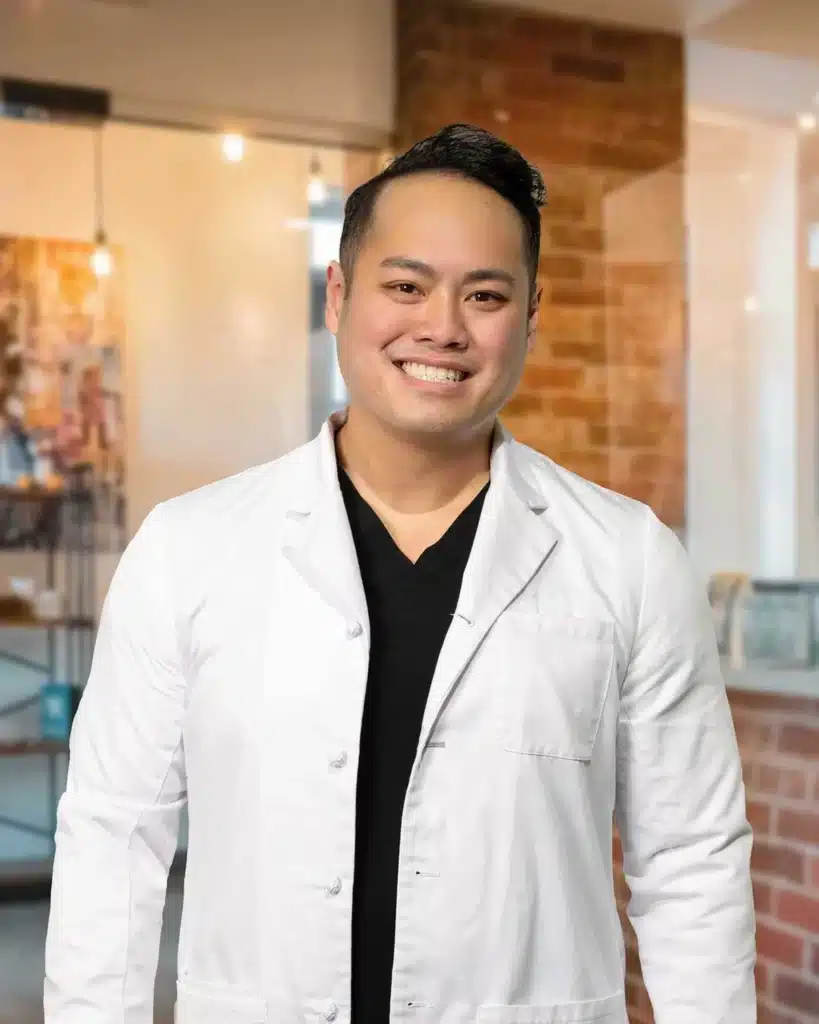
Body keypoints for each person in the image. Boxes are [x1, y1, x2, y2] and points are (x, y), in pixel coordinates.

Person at [43, 124, 756, 1024]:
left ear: (530, 315)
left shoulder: (628, 559)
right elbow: (112, 839)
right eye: (406, 286)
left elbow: (690, 860)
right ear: (339, 295)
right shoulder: (188, 549)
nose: (442, 328)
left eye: (485, 295)